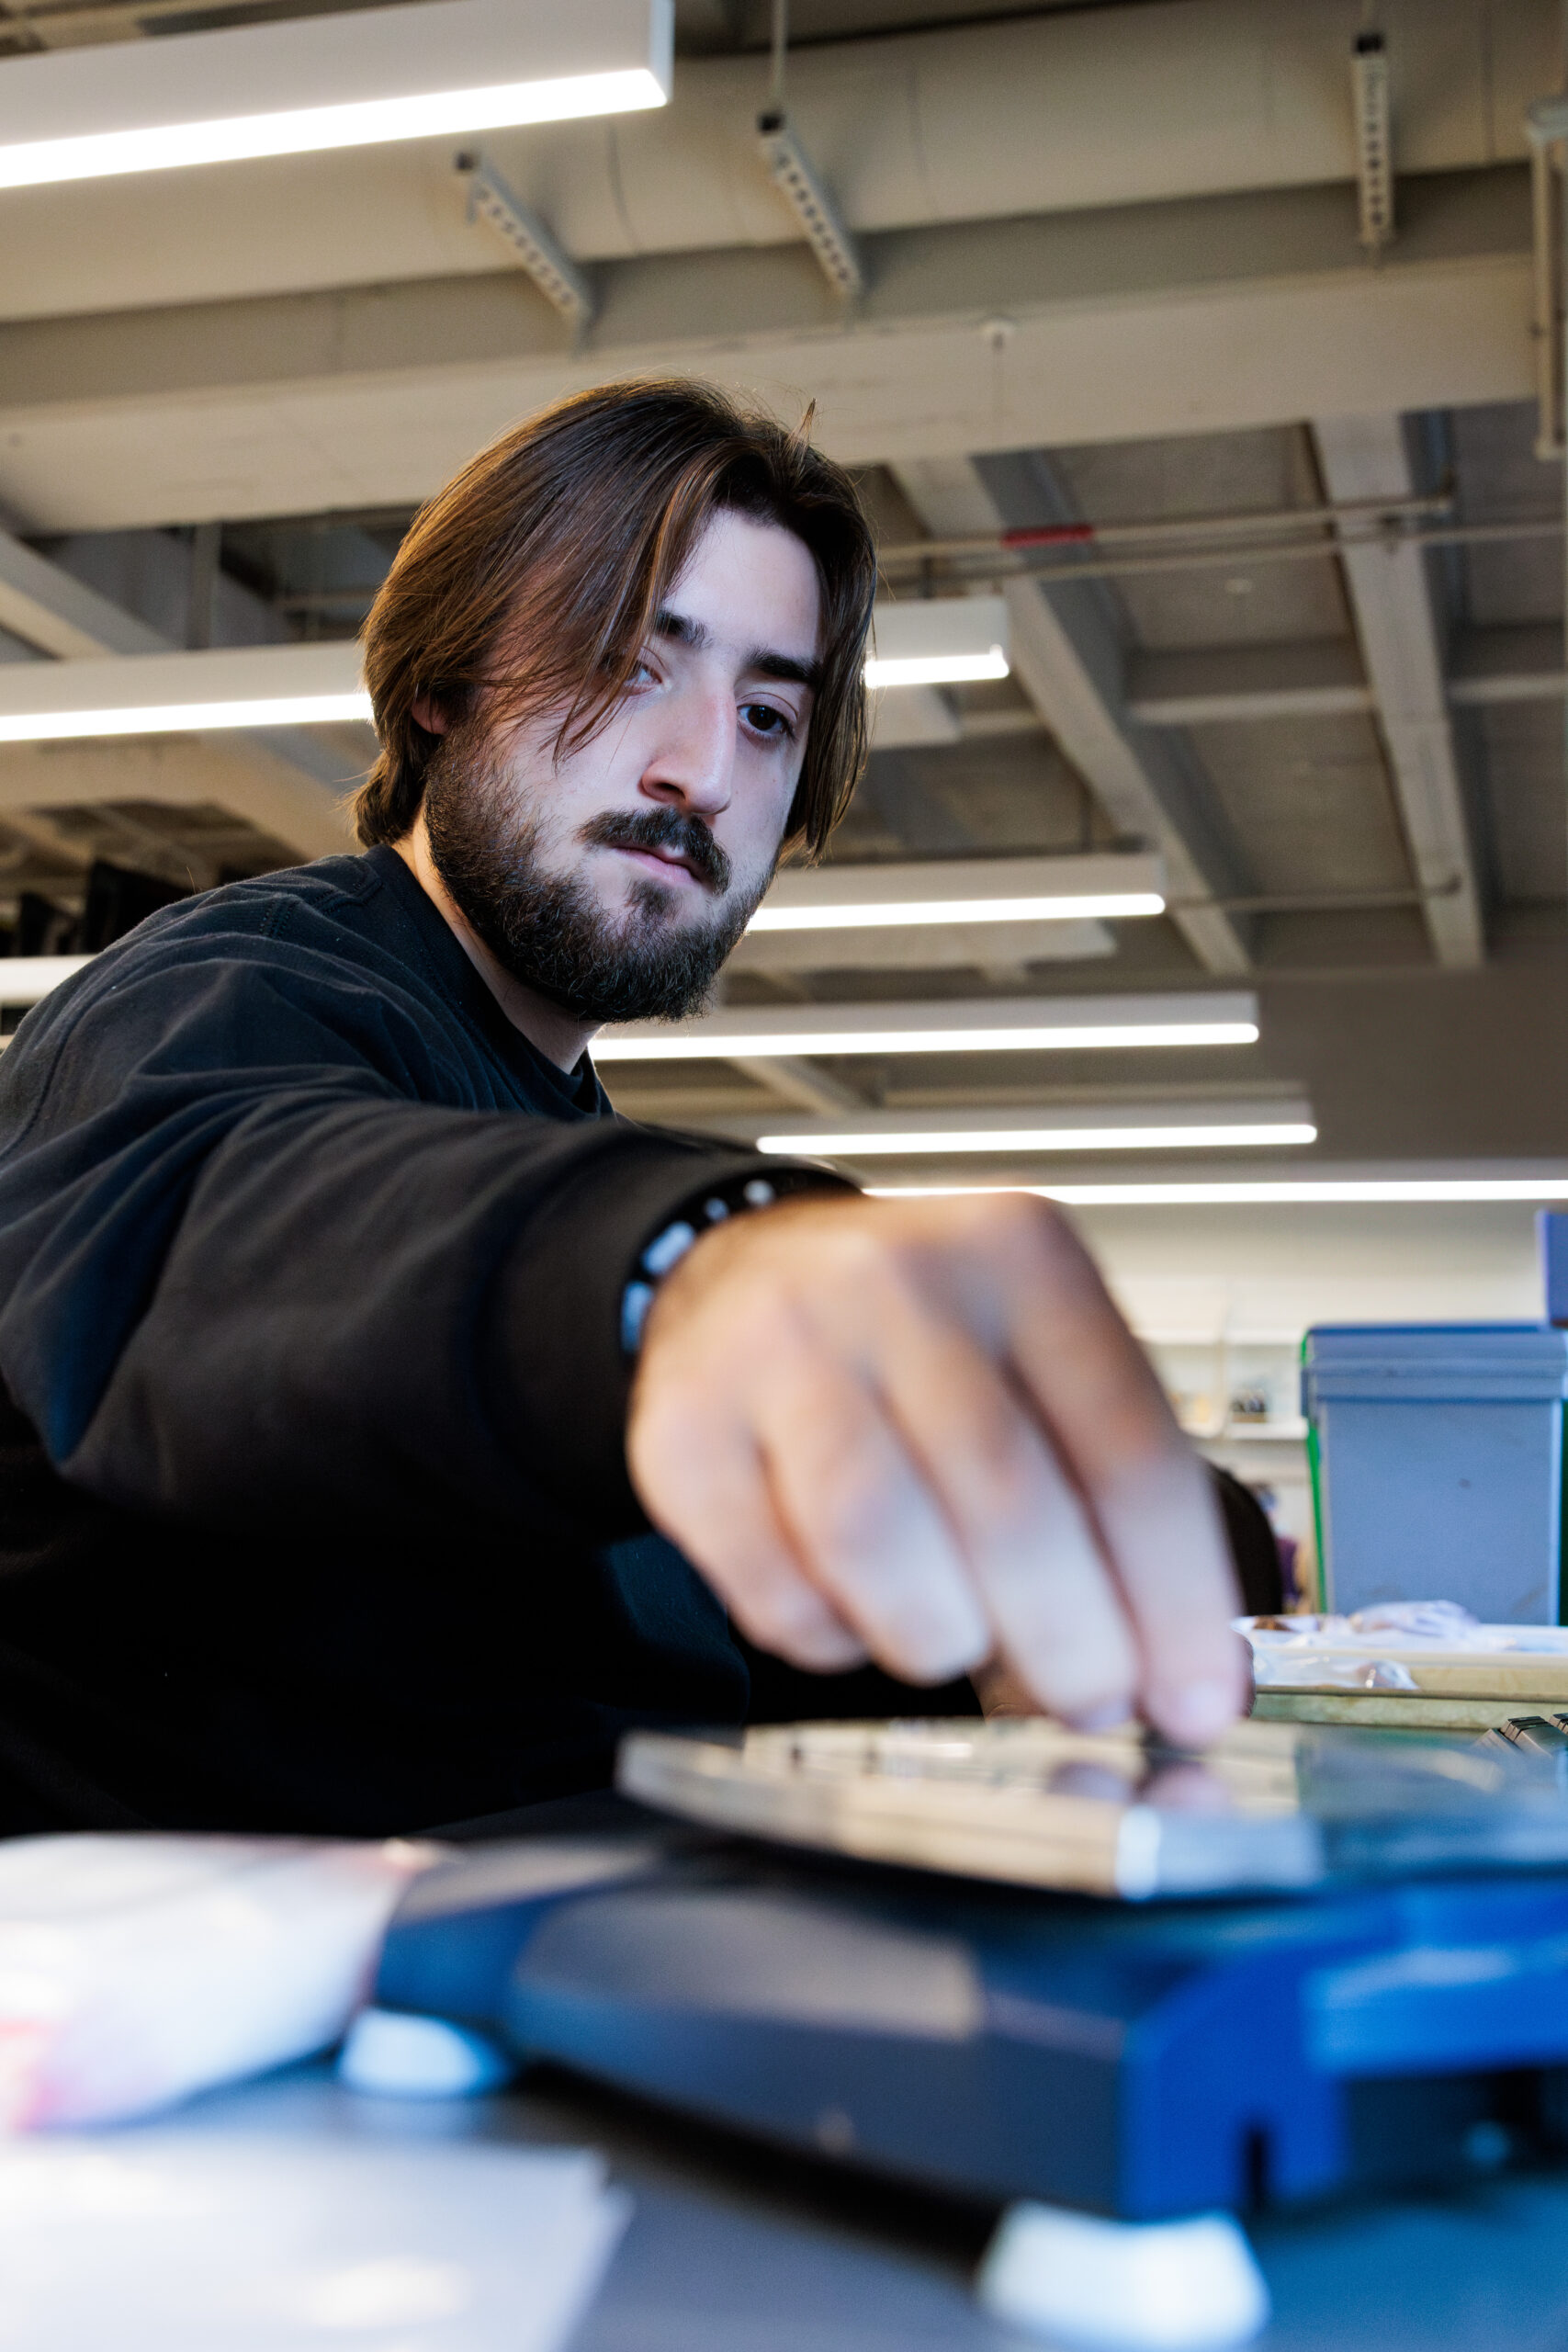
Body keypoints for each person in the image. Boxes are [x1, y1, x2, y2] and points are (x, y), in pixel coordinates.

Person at [0, 379, 1246, 1837]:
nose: (702, 772)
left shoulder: (555, 1121)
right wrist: (686, 1262)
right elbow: (232, 1221)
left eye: (769, 714)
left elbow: (649, 1651)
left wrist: (996, 1622)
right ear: (443, 685)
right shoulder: (222, 999)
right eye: (633, 665)